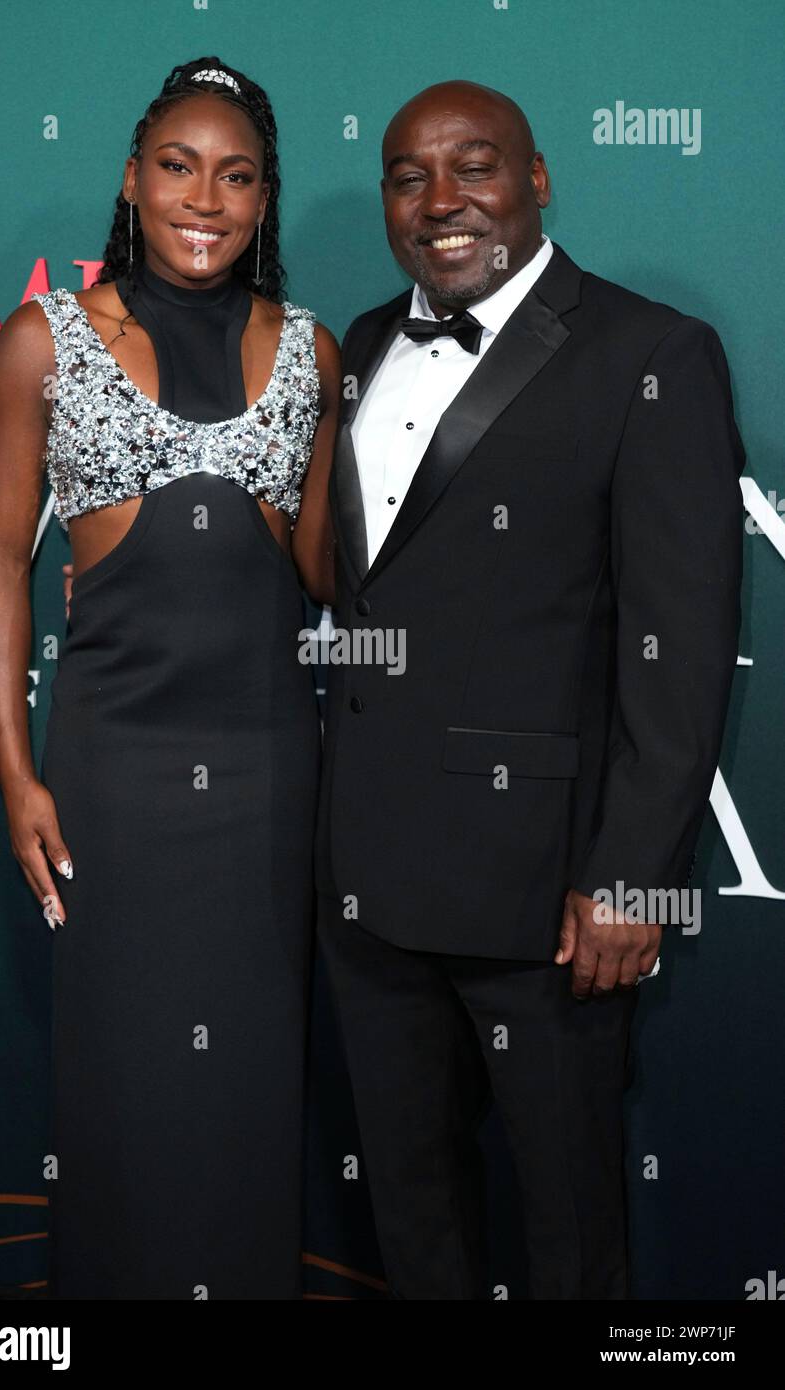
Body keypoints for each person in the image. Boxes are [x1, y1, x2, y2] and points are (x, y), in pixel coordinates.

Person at [315, 80, 745, 1299]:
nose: (440, 200)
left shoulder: (650, 354)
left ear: (539, 176)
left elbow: (681, 642)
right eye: (408, 176)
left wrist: (628, 874)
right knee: (412, 1223)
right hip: (362, 884)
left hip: (545, 899)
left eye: (475, 165)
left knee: (567, 1237)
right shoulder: (350, 345)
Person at [0, 56, 339, 1300]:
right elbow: (2, 564)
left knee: (244, 1085)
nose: (204, 196)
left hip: (270, 772)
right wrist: (16, 770)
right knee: (124, 1089)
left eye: (236, 175)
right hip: (113, 775)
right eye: (177, 165)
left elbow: (326, 572)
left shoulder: (310, 352)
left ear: (264, 198)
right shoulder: (42, 342)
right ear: (131, 178)